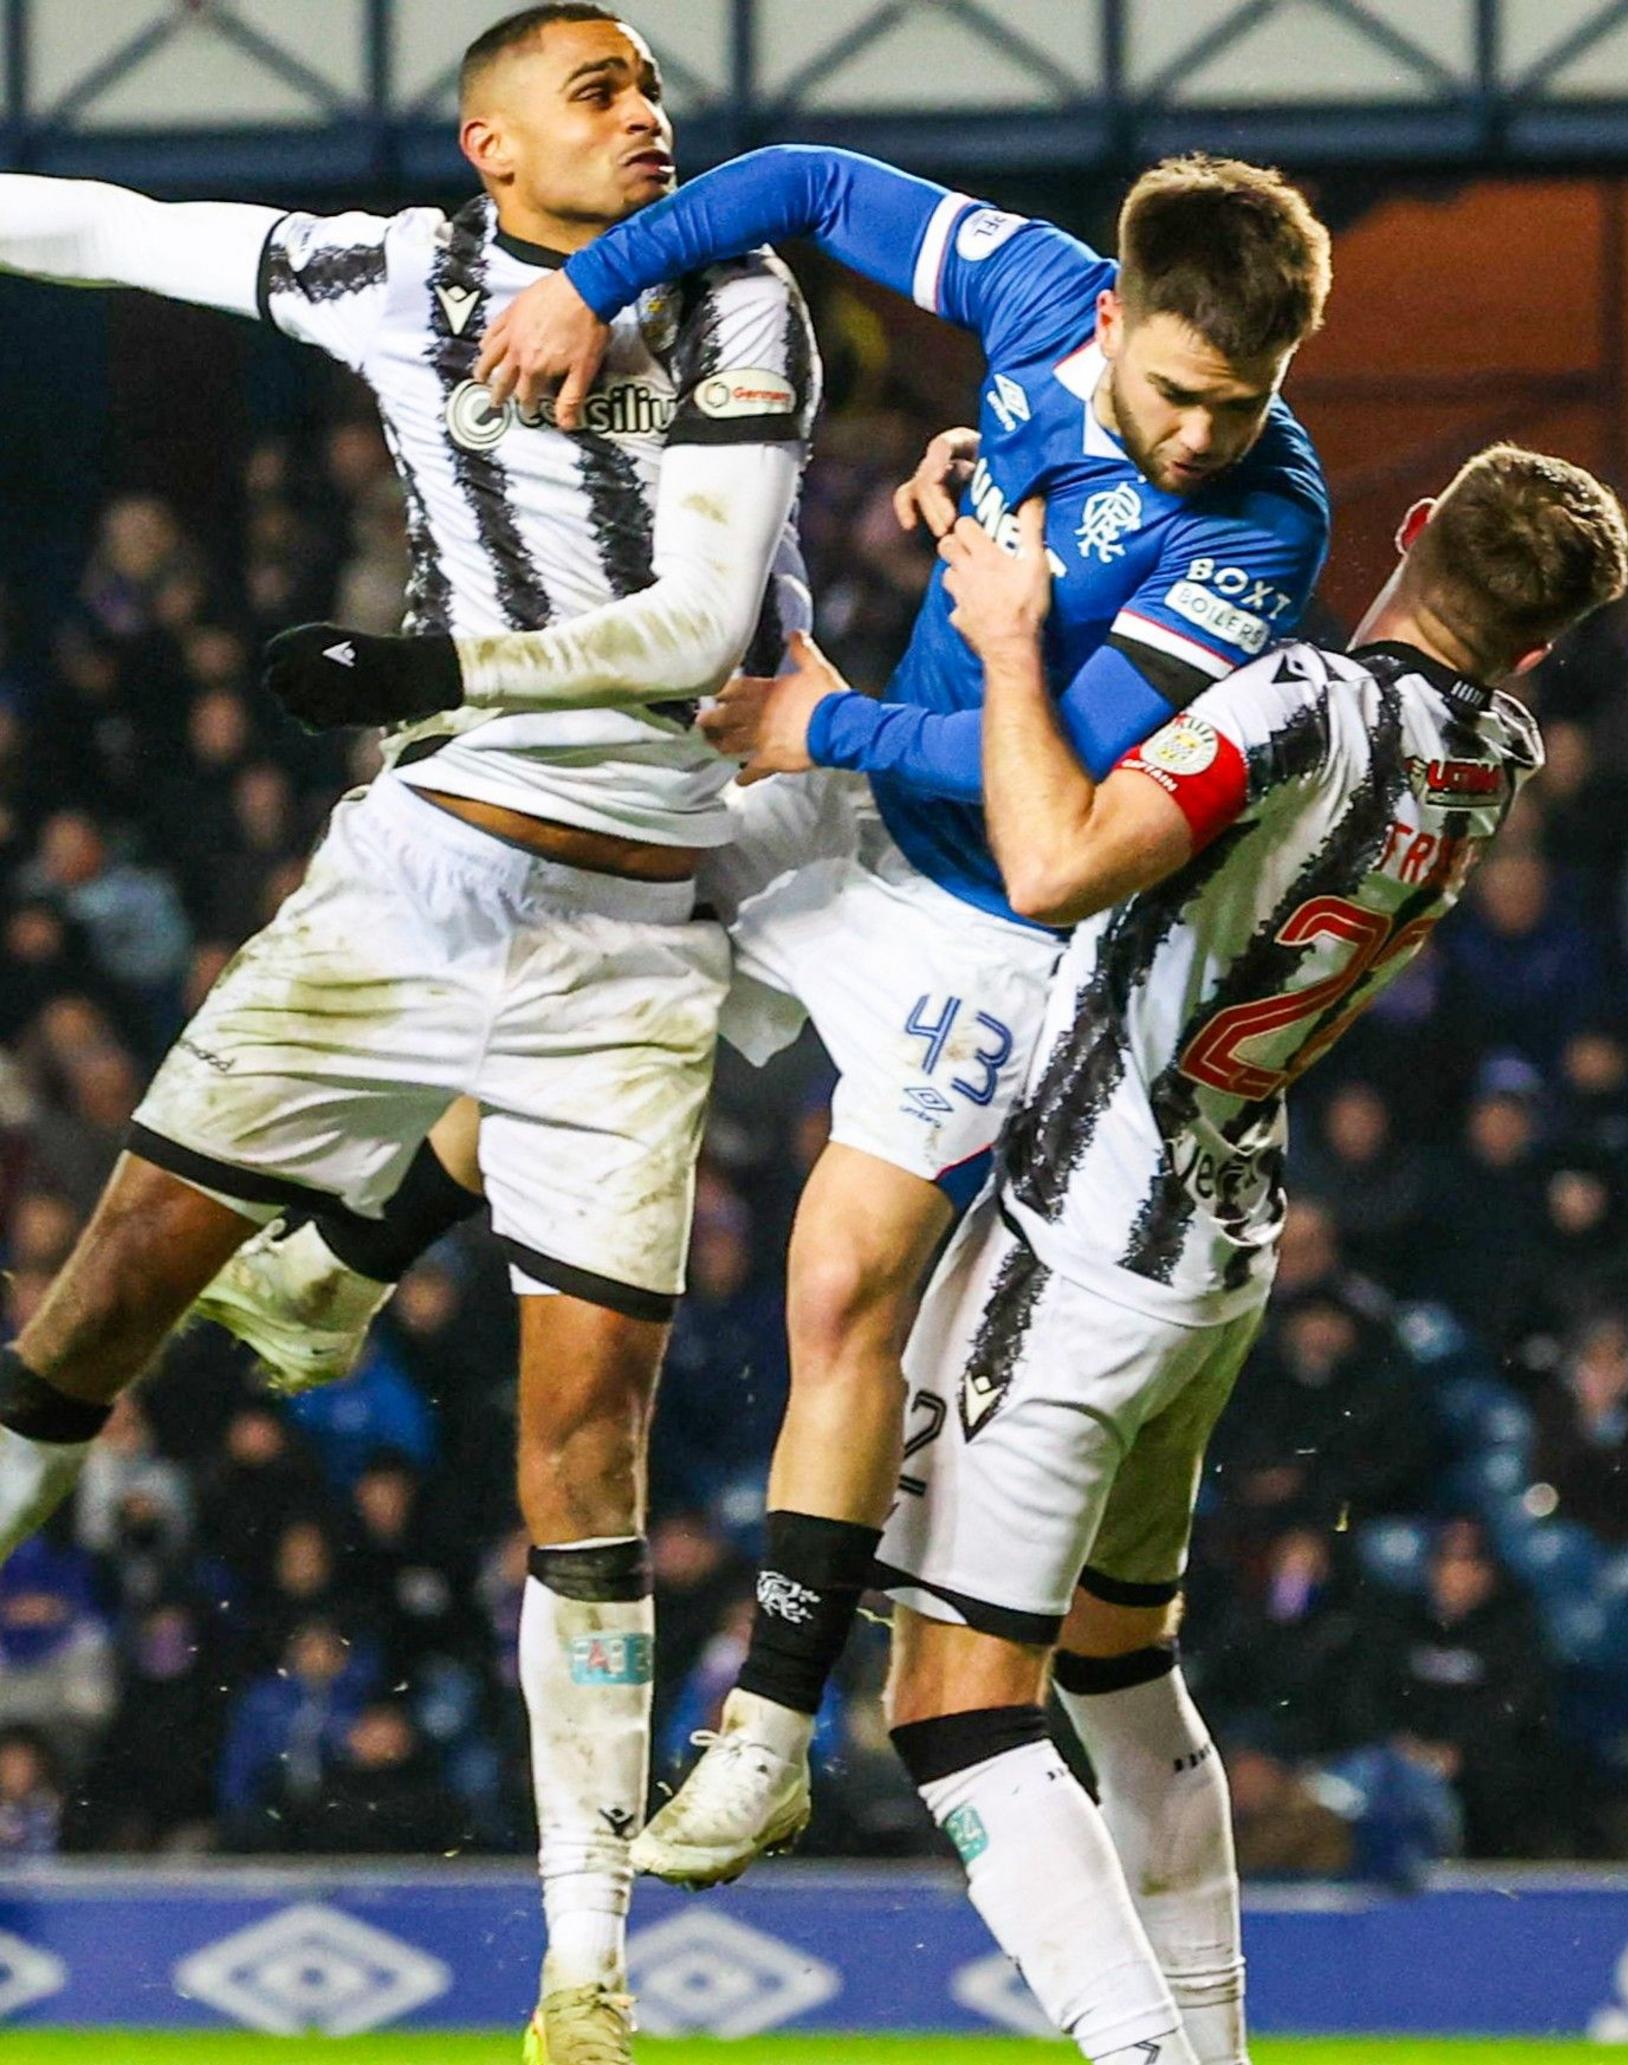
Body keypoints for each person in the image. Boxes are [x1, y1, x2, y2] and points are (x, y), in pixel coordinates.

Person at [202, 137, 1336, 1888]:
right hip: (855, 805)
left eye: (1241, 403)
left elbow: (1069, 774)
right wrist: (587, 283)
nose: (1203, 435)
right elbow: (805, 183)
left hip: (992, 930)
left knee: (838, 1287)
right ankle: (344, 1265)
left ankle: (769, 1737)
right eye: (1182, 393)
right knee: (588, 976)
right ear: (1114, 315)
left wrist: (826, 724)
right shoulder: (1039, 294)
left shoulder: (1261, 521)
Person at [0, 8, 820, 2065]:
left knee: (587, 1456)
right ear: (488, 145)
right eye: (598, 91)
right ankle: (327, 1267)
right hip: (414, 881)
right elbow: (113, 227)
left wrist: (431, 659)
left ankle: (587, 1989)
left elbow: (701, 620)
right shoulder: (393, 273)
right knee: (101, 1304)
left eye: (656, 89)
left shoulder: (737, 298)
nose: (647, 117)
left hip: (631, 930)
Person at [869, 444, 1625, 2065]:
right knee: (1120, 1667)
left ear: (1412, 528)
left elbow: (1058, 867)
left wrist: (1009, 640)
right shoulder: (1489, 755)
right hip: (1213, 1251)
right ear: (1540, 647)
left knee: (956, 1704)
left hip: (1083, 1240)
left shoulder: (1302, 703)